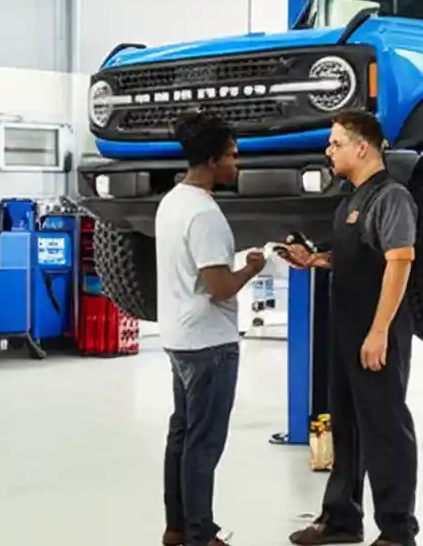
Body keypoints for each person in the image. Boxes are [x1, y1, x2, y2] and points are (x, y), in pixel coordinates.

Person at [282, 110, 421, 546]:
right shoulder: (351, 198)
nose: (329, 150)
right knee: (345, 426)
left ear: (362, 148)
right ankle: (342, 519)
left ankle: (398, 530)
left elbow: (400, 263)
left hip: (375, 332)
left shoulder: (391, 197)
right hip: (346, 331)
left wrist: (379, 331)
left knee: (384, 428)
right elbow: (362, 259)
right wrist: (316, 260)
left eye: (336, 142)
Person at [156, 111, 267, 546]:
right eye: (233, 156)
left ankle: (176, 527)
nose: (236, 165)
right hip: (210, 344)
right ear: (214, 159)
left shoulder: (172, 202)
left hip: (179, 339)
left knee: (181, 436)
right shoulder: (205, 213)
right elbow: (219, 287)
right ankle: (202, 534)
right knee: (203, 445)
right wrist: (252, 268)